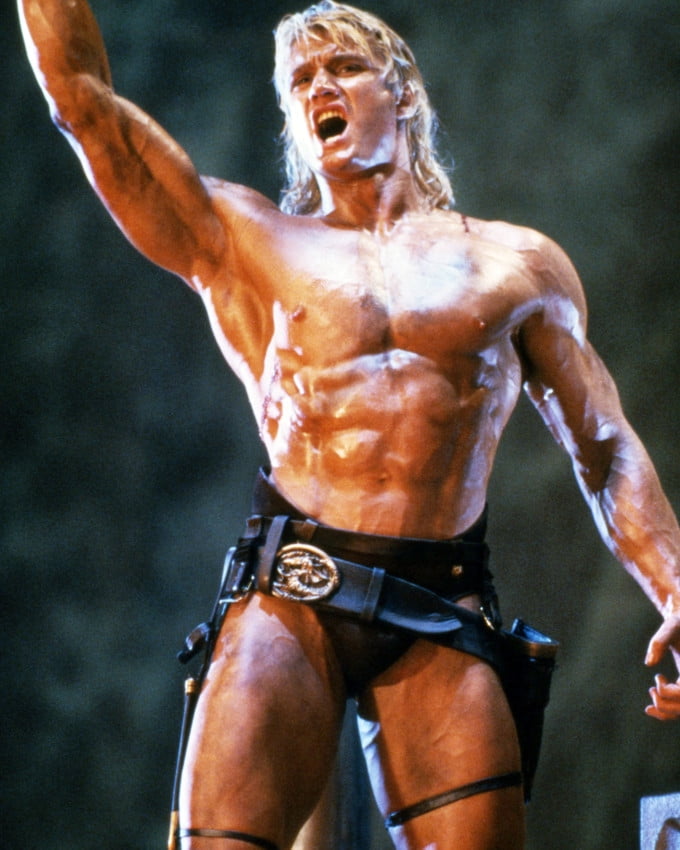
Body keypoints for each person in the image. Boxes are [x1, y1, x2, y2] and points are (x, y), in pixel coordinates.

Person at [18, 1, 680, 848]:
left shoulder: (517, 264)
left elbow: (604, 446)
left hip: (440, 603)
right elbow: (82, 101)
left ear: (401, 92)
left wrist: (674, 589)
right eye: (300, 79)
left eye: (342, 67)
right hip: (293, 595)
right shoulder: (247, 240)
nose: (318, 87)